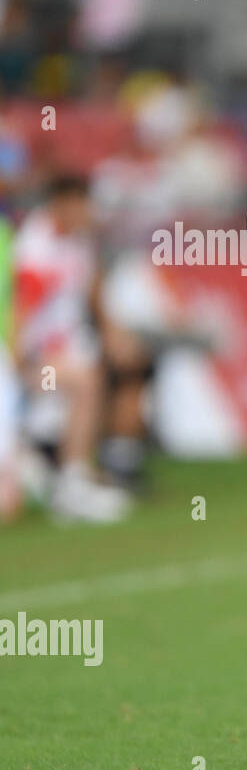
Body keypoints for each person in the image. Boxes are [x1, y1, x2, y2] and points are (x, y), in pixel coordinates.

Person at [13, 174, 131, 523]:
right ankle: (72, 481)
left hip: (70, 344)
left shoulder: (80, 240)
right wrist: (17, 364)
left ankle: (103, 465)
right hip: (36, 353)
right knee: (86, 381)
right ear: (61, 205)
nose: (86, 212)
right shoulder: (36, 246)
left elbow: (92, 286)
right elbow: (21, 307)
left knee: (121, 364)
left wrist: (111, 331)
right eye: (80, 204)